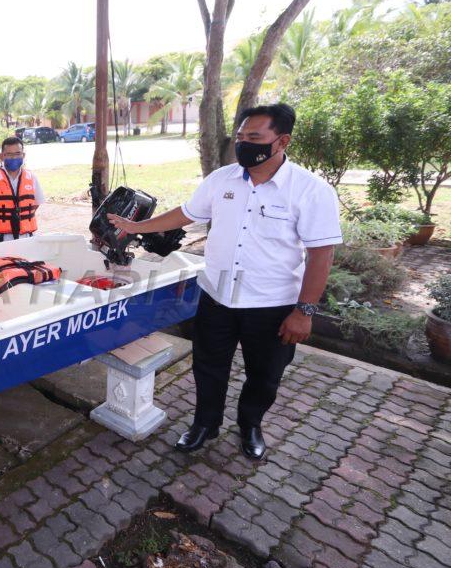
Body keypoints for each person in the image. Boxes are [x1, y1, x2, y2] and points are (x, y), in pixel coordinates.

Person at [106, 103, 341, 460]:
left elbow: (321, 255)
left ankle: (250, 425)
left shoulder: (310, 190)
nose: (243, 143)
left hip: (271, 306)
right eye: (241, 136)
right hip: (216, 297)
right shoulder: (222, 179)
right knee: (208, 367)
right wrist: (137, 227)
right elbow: (186, 214)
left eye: (254, 137)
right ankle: (205, 424)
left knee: (264, 376)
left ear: (282, 141)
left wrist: (304, 311)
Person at [0, 136, 45, 243]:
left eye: (18, 153)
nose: (14, 158)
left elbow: (37, 202)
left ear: (23, 155)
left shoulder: (32, 178)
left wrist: (24, 217)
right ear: (2, 156)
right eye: (9, 154)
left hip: (27, 238)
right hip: (0, 239)